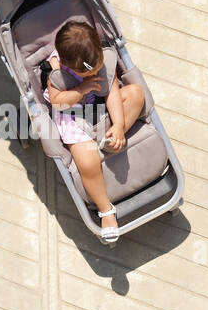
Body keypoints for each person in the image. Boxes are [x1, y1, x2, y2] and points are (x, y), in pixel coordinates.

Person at [44, 19, 146, 244]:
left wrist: (118, 125)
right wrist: (80, 89)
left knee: (136, 94)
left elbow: (111, 92)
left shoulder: (97, 57)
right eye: (92, 70)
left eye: (99, 65)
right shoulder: (57, 72)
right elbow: (58, 102)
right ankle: (106, 211)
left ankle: (112, 137)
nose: (98, 70)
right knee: (87, 163)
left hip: (101, 112)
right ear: (73, 68)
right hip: (74, 117)